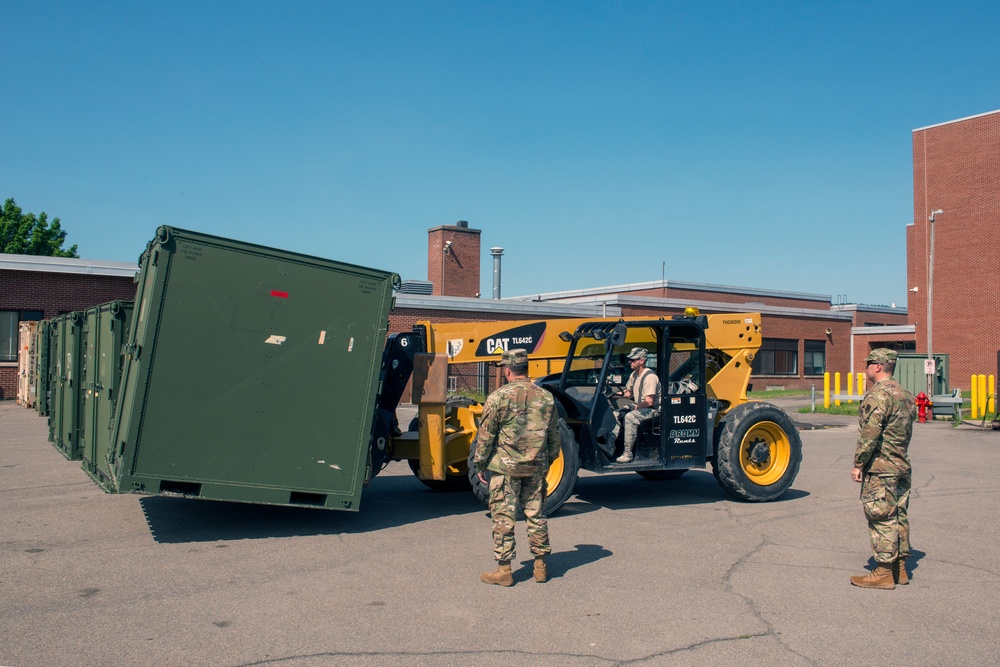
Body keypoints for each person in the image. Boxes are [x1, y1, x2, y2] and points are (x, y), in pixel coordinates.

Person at [472, 348, 561, 587]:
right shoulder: (546, 397)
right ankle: (540, 566)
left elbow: (486, 435)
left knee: (504, 517)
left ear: (508, 370)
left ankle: (504, 570)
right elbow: (554, 436)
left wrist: (480, 463)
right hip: (535, 467)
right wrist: (547, 461)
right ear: (526, 369)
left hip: (505, 468)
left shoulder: (498, 397)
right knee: (536, 515)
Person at [850, 348, 917, 590]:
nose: (865, 368)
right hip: (901, 465)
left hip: (881, 468)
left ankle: (883, 572)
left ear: (878, 366)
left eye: (868, 363)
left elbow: (870, 435)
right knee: (899, 515)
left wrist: (858, 464)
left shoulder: (877, 396)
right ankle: (900, 569)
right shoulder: (905, 395)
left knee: (882, 518)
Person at [611, 347, 661, 463]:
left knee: (630, 417)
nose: (630, 362)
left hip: (654, 409)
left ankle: (628, 453)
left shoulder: (650, 377)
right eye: (630, 360)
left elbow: (649, 401)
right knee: (615, 413)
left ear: (641, 361)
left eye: (633, 360)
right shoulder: (634, 374)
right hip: (641, 405)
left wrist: (636, 408)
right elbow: (628, 392)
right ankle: (610, 446)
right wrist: (612, 394)